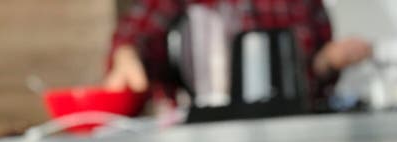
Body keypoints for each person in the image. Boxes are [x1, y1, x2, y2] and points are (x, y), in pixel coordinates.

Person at [104, 0, 372, 108]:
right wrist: (126, 54)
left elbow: (315, 75)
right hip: (200, 141)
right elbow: (138, 33)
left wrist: (329, 60)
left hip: (290, 135)